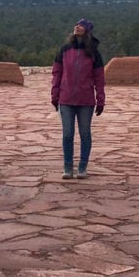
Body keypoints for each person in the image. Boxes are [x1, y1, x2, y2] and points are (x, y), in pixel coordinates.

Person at [51, 18, 106, 179]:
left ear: (87, 31)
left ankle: (82, 167)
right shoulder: (65, 50)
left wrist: (100, 99)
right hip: (66, 98)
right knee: (67, 134)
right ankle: (68, 168)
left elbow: (99, 79)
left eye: (81, 25)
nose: (77, 26)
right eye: (76, 24)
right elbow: (57, 74)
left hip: (86, 100)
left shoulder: (93, 53)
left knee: (85, 133)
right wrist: (55, 95)